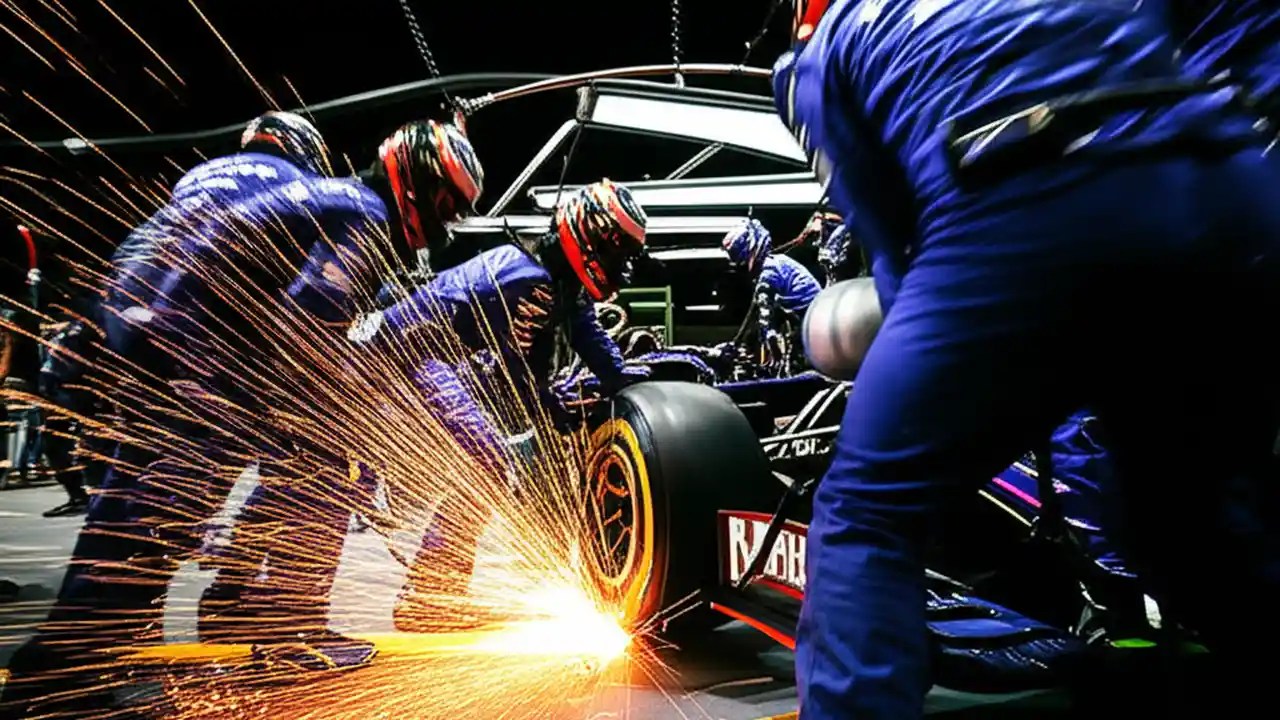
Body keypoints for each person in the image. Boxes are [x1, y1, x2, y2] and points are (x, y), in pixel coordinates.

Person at [773, 1, 1280, 717]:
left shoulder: (823, 51)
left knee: (868, 514)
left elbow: (893, 251)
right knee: (1193, 522)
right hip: (1228, 191)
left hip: (1022, 197)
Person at [0, 110, 393, 719]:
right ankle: (57, 678)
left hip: (130, 326)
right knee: (172, 505)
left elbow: (136, 257)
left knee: (124, 503)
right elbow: (303, 297)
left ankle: (100, 642)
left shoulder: (200, 182)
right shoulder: (295, 182)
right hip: (194, 335)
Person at [198, 117, 487, 640]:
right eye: (447, 206)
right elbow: (311, 319)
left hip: (213, 343)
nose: (447, 223)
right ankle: (293, 630)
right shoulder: (367, 214)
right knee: (334, 466)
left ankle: (230, 597)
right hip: (223, 353)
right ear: (419, 179)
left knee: (289, 472)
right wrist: (348, 395)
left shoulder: (337, 201)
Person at [346, 179, 651, 630]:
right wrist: (552, 403)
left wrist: (623, 380)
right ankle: (428, 593)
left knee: (492, 461)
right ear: (590, 235)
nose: (622, 266)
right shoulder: (524, 276)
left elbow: (586, 336)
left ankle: (434, 589)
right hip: (415, 358)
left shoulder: (560, 284)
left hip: (439, 361)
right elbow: (505, 365)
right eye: (618, 251)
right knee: (489, 460)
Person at [721, 218, 821, 376]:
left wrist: (774, 354)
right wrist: (737, 342)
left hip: (810, 317)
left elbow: (765, 318)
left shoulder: (769, 273)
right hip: (810, 314)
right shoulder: (776, 263)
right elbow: (756, 311)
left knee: (796, 363)